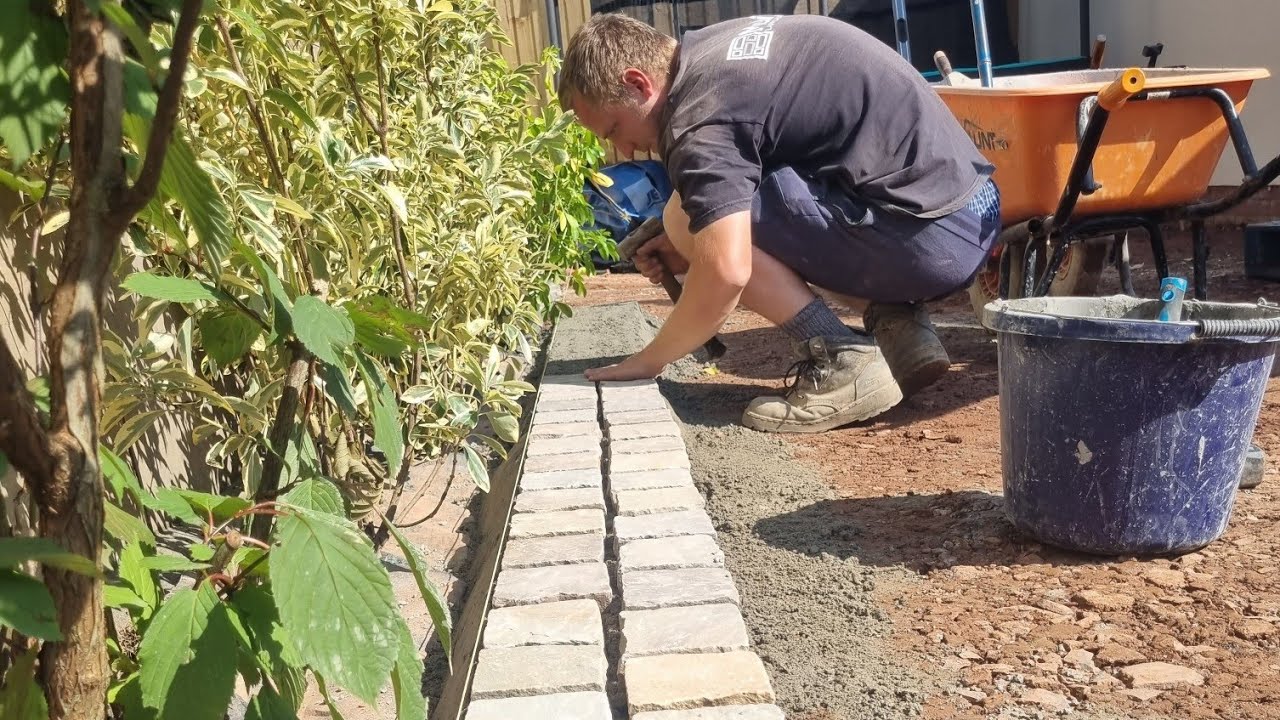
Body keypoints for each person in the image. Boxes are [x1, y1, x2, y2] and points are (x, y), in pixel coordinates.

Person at [559, 12, 1000, 433]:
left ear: (638, 83)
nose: (627, 151)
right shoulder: (712, 52)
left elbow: (726, 272)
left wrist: (649, 359)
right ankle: (895, 320)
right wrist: (689, 241)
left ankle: (844, 359)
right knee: (690, 216)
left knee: (684, 215)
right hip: (969, 207)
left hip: (932, 236)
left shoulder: (697, 116)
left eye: (614, 129)